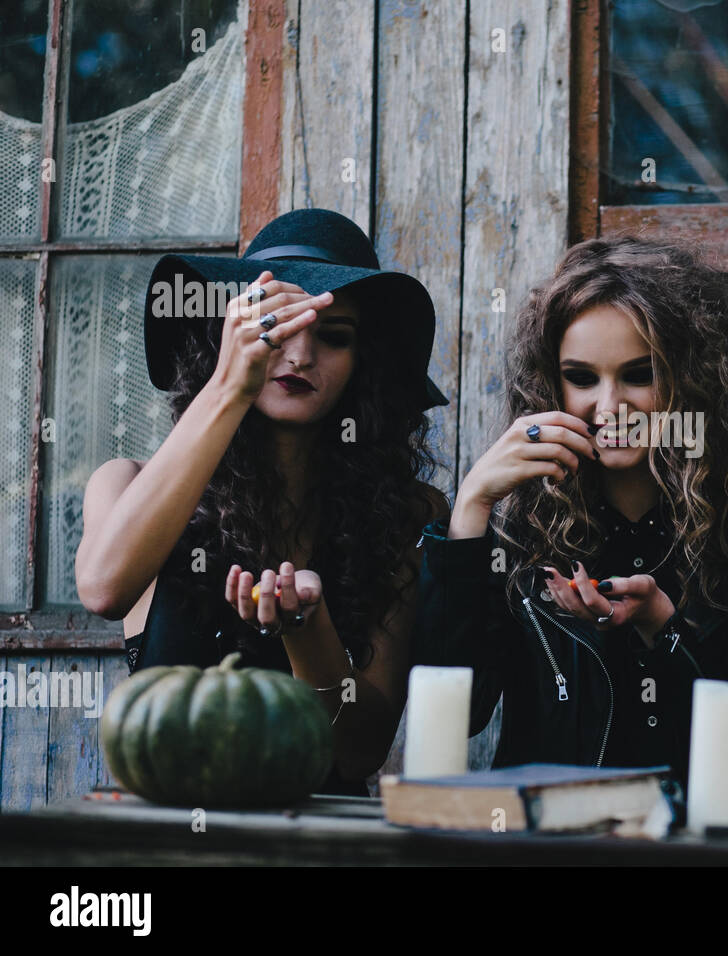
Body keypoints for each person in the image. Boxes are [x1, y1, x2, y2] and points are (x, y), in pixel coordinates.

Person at [76, 209, 450, 795]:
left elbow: (358, 753)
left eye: (334, 336)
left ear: (364, 366)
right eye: (276, 324)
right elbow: (103, 588)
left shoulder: (407, 516)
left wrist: (307, 631)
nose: (300, 355)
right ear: (229, 334)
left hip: (318, 847)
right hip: (166, 845)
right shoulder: (124, 483)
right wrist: (230, 384)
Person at [416, 236, 728, 801]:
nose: (609, 407)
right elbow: (457, 708)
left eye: (639, 374)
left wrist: (663, 628)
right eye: (582, 378)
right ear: (550, 381)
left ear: (691, 377)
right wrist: (471, 508)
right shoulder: (519, 528)